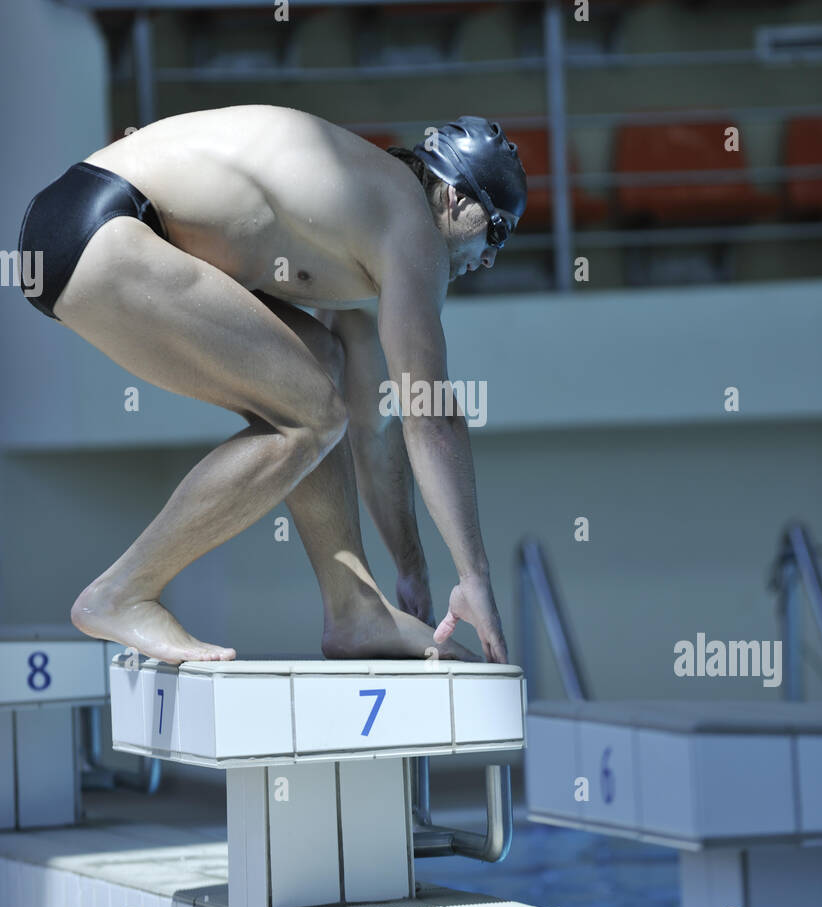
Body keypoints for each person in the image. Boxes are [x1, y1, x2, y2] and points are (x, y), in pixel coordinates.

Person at [17, 107, 526, 665]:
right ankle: (123, 592)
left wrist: (412, 570)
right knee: (311, 416)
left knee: (320, 370)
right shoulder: (412, 227)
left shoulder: (370, 234)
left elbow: (376, 426)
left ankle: (356, 612)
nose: (493, 256)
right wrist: (475, 577)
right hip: (106, 224)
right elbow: (434, 414)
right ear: (454, 197)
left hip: (85, 225)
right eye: (496, 228)